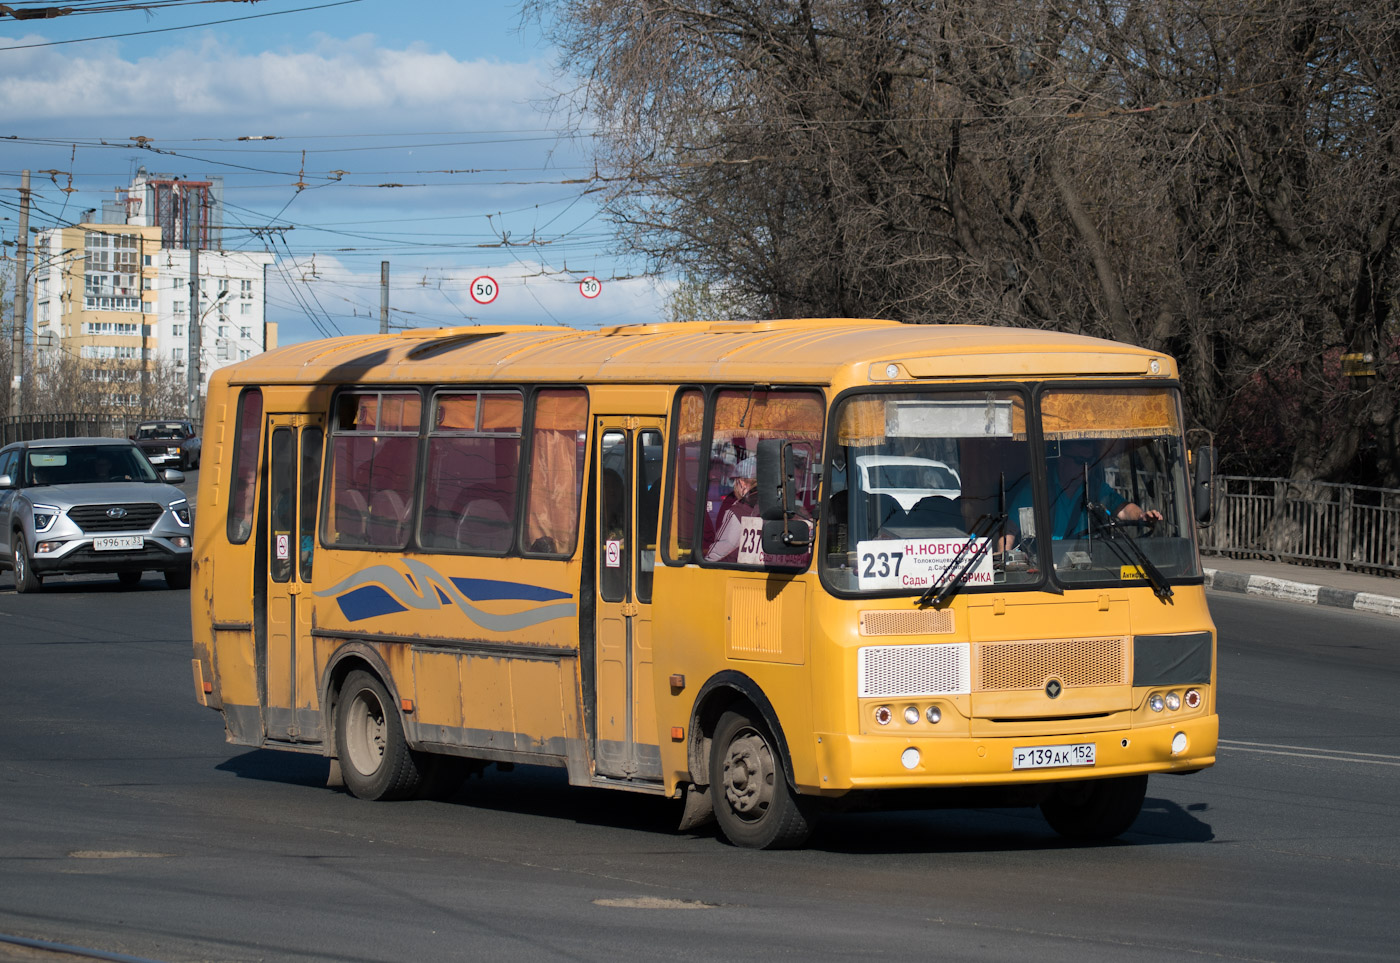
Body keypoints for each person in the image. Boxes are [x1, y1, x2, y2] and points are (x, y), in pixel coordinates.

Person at [999, 440, 1161, 551]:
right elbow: (1011, 529)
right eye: (1079, 460)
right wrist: (1005, 557)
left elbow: (1124, 510)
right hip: (1047, 568)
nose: (1085, 467)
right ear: (1062, 460)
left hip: (1086, 568)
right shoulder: (1036, 490)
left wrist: (1141, 516)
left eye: (1089, 461)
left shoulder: (1097, 489)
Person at [704, 455, 760, 563]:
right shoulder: (772, 504)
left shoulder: (738, 510)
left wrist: (705, 561)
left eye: (735, 482)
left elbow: (718, 552)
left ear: (742, 482)